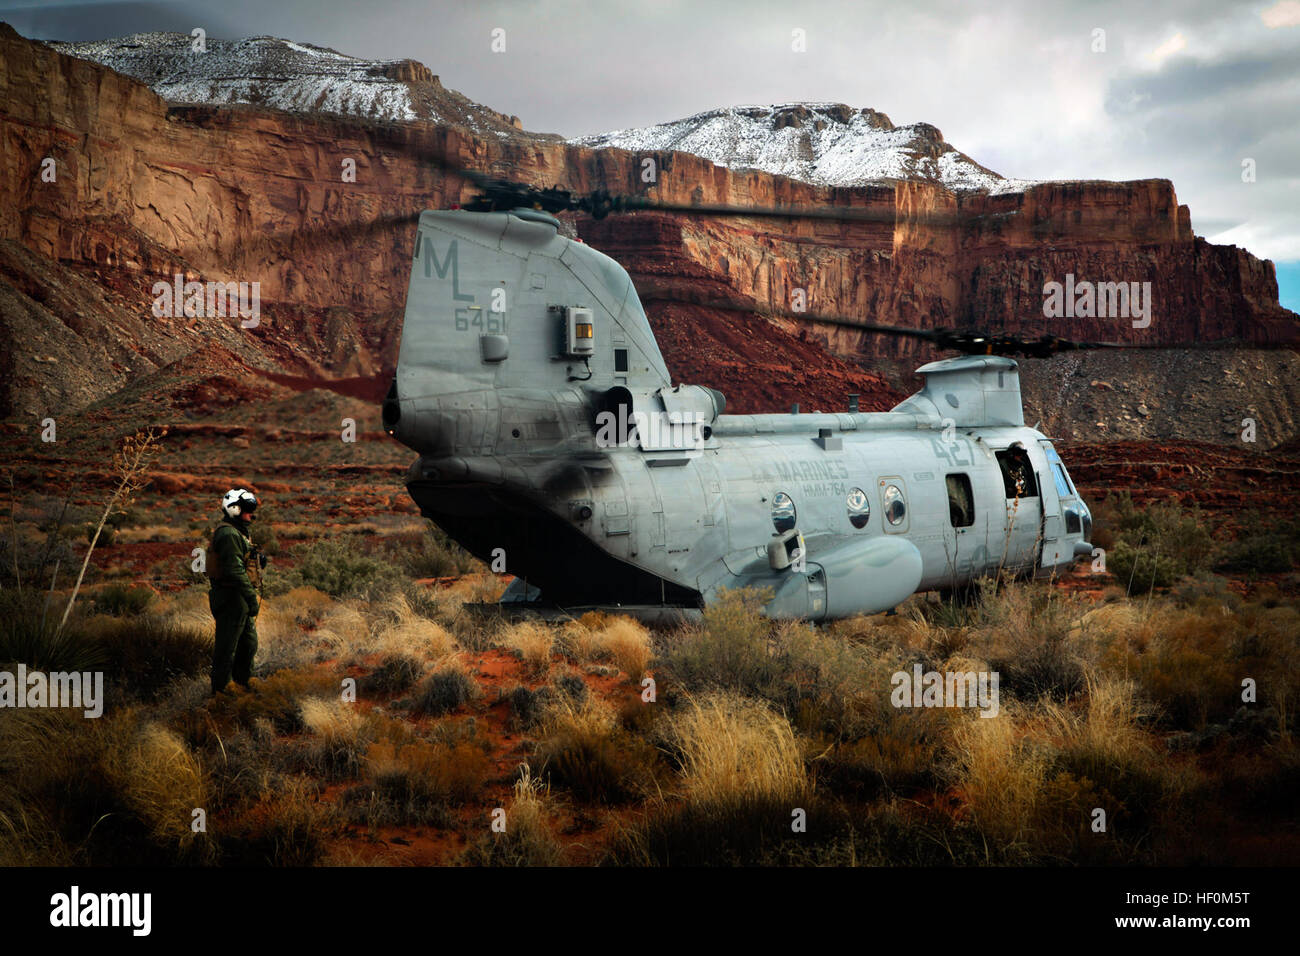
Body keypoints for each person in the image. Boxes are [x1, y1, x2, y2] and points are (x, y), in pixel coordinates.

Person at [207, 488, 263, 696]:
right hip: (231, 597)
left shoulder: (237, 532)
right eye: (247, 510)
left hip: (238, 596)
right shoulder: (229, 534)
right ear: (234, 510)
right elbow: (234, 570)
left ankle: (242, 685)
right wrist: (251, 598)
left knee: (248, 644)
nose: (251, 515)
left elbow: (239, 562)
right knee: (227, 648)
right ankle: (221, 694)